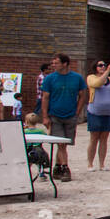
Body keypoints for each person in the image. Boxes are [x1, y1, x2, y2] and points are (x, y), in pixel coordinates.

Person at [41, 53, 87, 181]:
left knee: (64, 145)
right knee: (61, 143)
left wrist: (77, 112)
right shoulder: (50, 79)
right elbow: (45, 97)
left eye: (56, 63)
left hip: (70, 115)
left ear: (65, 63)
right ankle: (65, 168)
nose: (53, 65)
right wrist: (45, 116)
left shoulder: (77, 78)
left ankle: (57, 166)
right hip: (55, 115)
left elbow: (83, 95)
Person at [85, 59, 110, 170]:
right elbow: (97, 84)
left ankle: (102, 164)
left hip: (108, 113)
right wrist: (107, 71)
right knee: (94, 138)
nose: (103, 67)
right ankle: (90, 164)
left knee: (104, 138)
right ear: (95, 68)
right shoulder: (91, 78)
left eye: (104, 65)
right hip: (95, 112)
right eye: (100, 65)